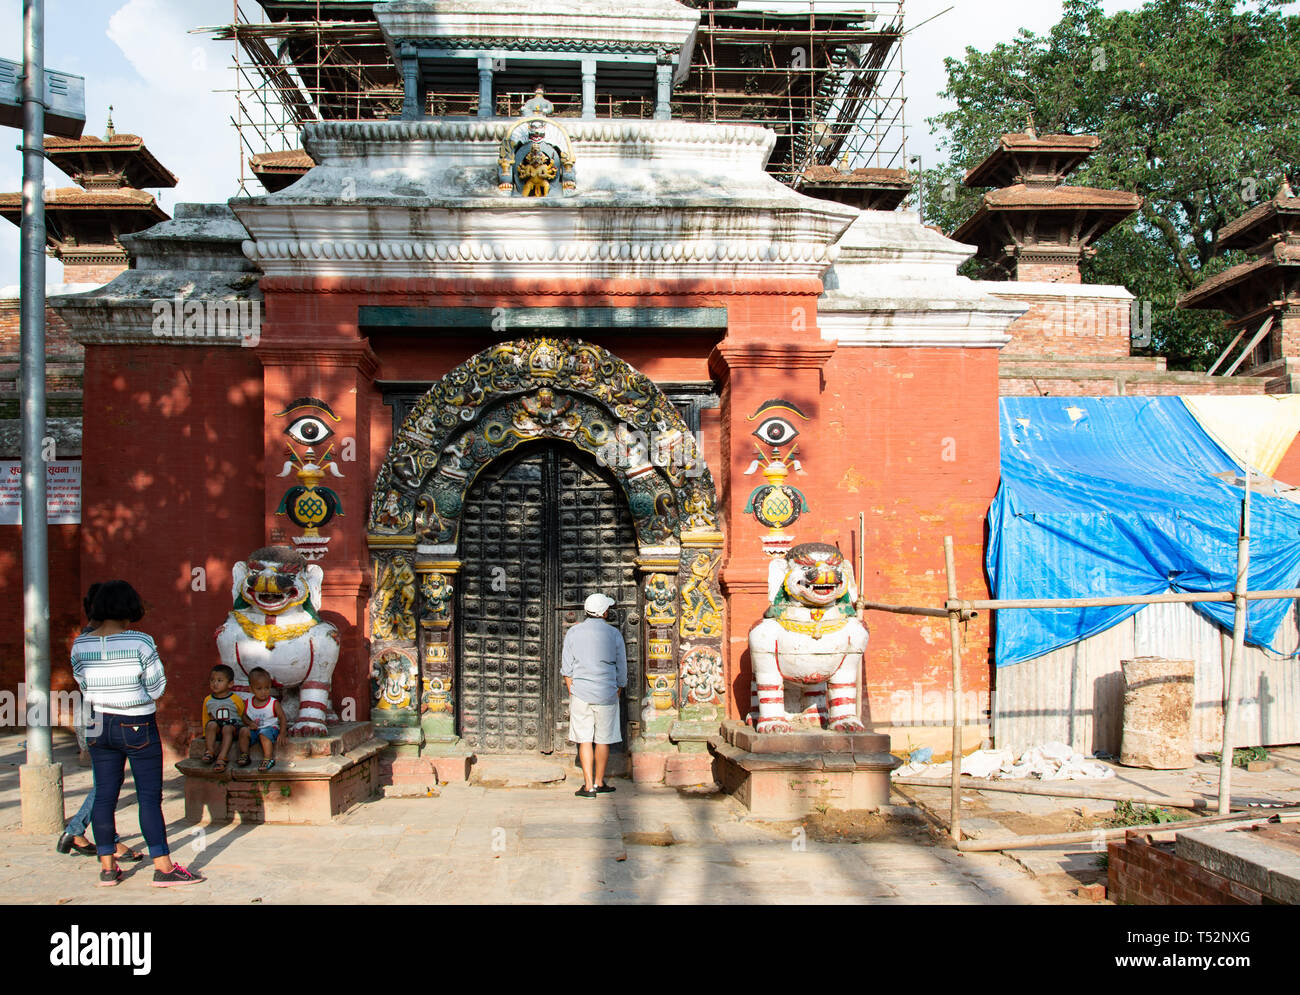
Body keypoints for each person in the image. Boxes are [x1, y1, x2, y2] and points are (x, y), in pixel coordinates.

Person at [71, 580, 204, 888]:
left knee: (104, 794)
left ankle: (107, 868)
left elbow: (84, 684)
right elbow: (157, 687)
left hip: (97, 722)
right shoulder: (141, 642)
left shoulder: (81, 643)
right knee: (148, 797)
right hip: (136, 724)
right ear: (128, 608)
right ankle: (163, 867)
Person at [56, 583, 141, 863]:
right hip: (103, 715)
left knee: (106, 780)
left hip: (93, 714)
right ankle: (103, 839)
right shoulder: (99, 638)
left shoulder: (86, 637)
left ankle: (78, 831)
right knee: (107, 782)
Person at [561, 592, 627, 798]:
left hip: (581, 693)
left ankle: (588, 786)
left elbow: (567, 668)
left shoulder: (573, 632)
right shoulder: (614, 634)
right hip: (607, 692)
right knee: (603, 740)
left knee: (584, 739)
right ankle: (600, 782)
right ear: (604, 613)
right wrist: (619, 688)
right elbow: (621, 666)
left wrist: (573, 690)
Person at [236, 667, 286, 771]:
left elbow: (282, 717)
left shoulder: (273, 703)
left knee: (264, 733)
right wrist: (249, 723)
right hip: (255, 730)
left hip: (270, 729)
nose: (263, 692)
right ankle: (245, 754)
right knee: (243, 731)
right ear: (251, 689)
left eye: (266, 688)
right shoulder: (248, 702)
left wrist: (282, 733)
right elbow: (244, 716)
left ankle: (268, 759)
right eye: (259, 689)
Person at [200, 664, 246, 772]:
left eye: (220, 680)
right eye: (212, 680)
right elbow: (205, 717)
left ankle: (222, 757)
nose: (215, 684)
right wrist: (204, 734)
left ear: (230, 683)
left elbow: (243, 715)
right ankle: (210, 751)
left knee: (227, 728)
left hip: (232, 729)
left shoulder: (236, 699)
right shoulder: (208, 700)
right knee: (211, 724)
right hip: (218, 728)